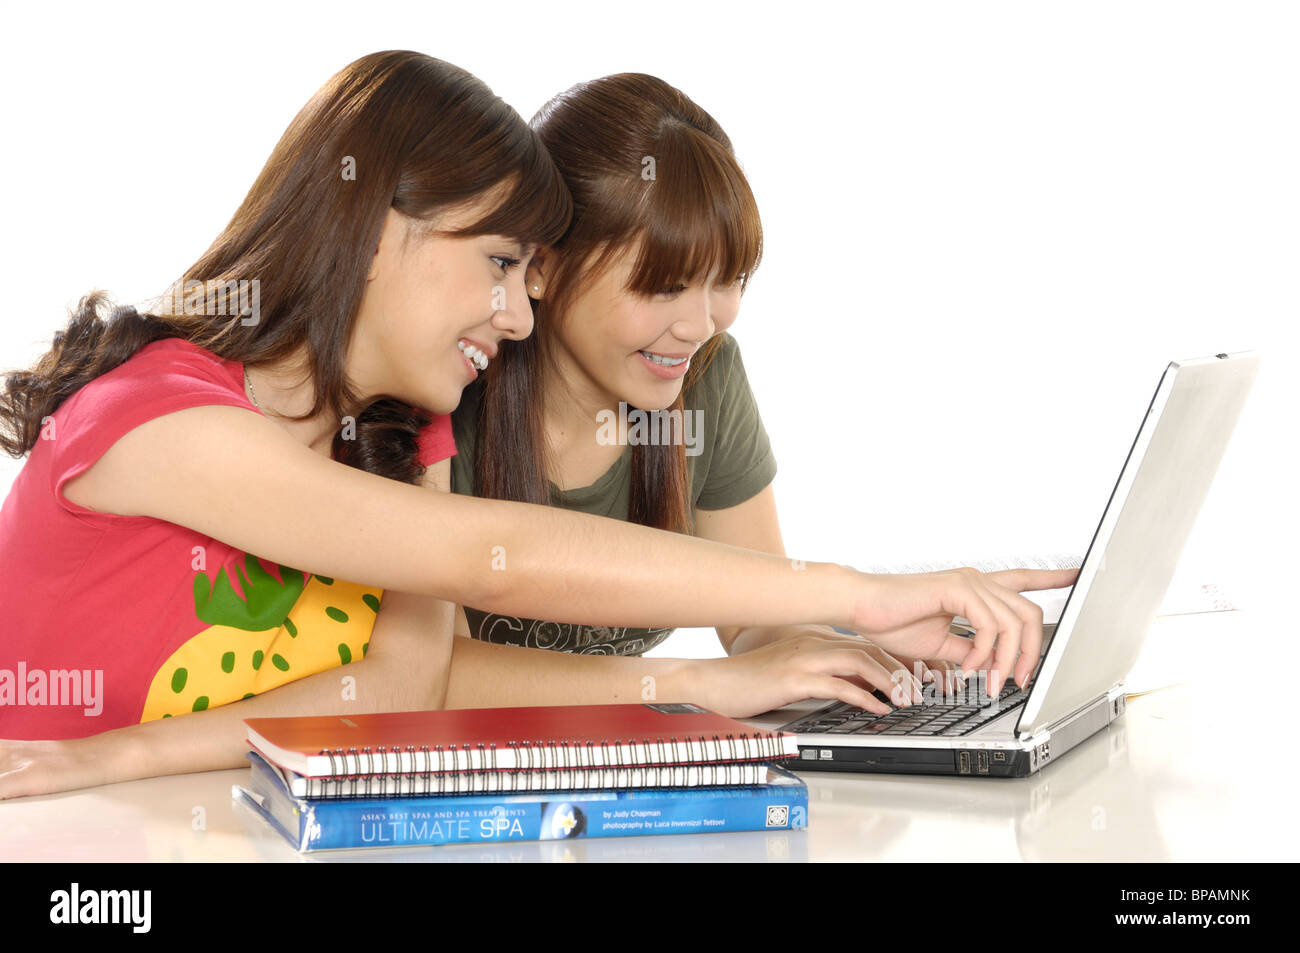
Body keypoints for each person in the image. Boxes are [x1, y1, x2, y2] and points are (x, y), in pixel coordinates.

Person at [0, 51, 1075, 799]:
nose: (517, 315)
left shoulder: (404, 428)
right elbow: (492, 561)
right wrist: (855, 594)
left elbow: (399, 688)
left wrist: (131, 756)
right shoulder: (161, 420)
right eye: (503, 266)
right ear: (379, 231)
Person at [451, 72, 962, 694]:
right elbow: (433, 675)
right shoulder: (449, 385)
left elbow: (756, 623)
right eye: (663, 286)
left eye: (727, 279)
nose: (699, 325)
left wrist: (836, 656)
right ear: (545, 270)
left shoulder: (709, 373)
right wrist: (701, 683)